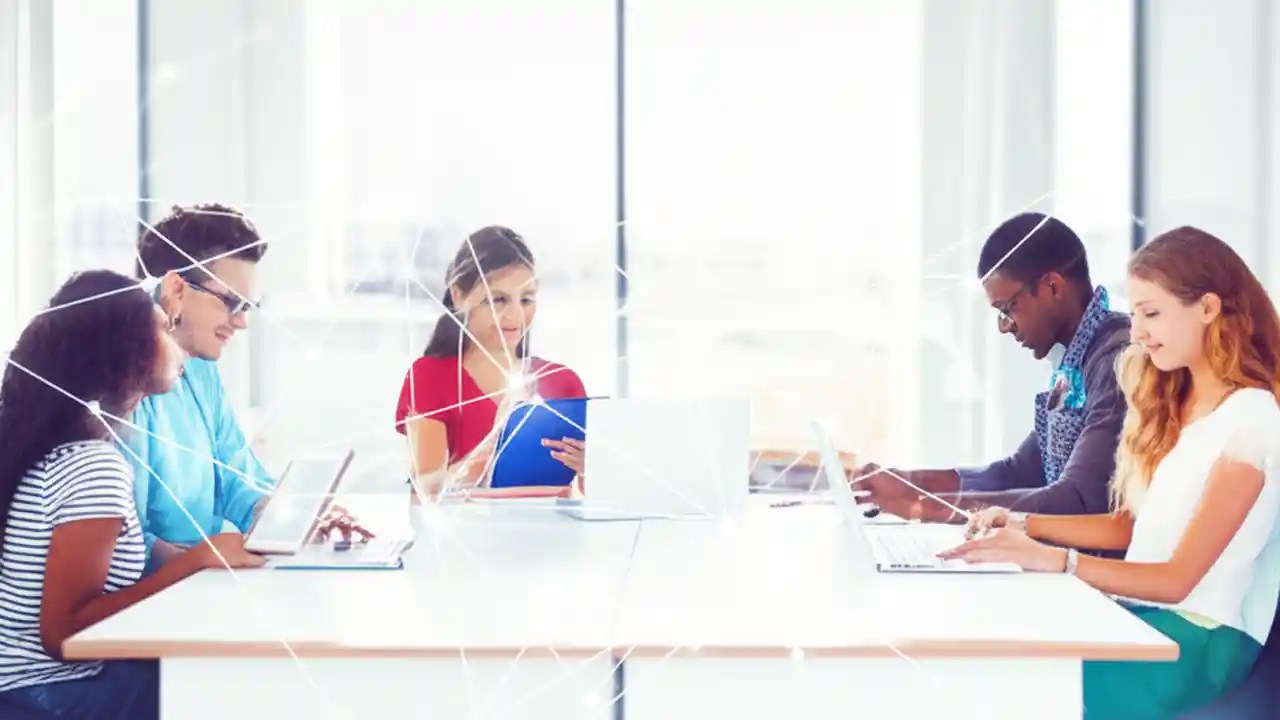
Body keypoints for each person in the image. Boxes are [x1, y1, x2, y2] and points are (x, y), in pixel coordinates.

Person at [942, 227, 1280, 718]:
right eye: (1137, 312)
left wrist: (1056, 561)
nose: (1138, 332)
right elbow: (1129, 527)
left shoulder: (1252, 418)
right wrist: (1019, 525)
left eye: (1152, 313)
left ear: (1208, 309)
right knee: (988, 644)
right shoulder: (1176, 404)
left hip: (1197, 636)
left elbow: (1176, 580)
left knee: (1012, 682)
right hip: (1141, 615)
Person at [0, 270, 263, 719]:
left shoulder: (62, 448)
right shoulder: (93, 467)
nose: (175, 340)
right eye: (164, 326)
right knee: (233, 689)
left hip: (44, 688)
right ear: (125, 350)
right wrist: (194, 562)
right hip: (48, 695)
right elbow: (63, 634)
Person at [855, 213, 1131, 520]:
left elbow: (1078, 499)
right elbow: (1022, 472)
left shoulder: (1117, 358)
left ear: (1053, 286)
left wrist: (929, 508)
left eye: (1007, 308)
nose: (1004, 326)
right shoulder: (1075, 357)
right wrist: (912, 482)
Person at [123, 205, 280, 572]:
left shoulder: (199, 368)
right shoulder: (118, 378)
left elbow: (237, 476)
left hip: (190, 583)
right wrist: (200, 560)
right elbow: (118, 542)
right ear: (175, 286)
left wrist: (293, 518)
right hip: (136, 605)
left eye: (247, 306)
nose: (241, 321)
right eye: (230, 302)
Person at [395, 226, 587, 499]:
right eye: (497, 299)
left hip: (554, 536)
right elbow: (423, 490)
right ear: (459, 295)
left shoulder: (562, 382)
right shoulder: (429, 377)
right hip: (469, 536)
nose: (515, 314)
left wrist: (588, 469)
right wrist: (484, 459)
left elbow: (592, 497)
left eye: (526, 299)